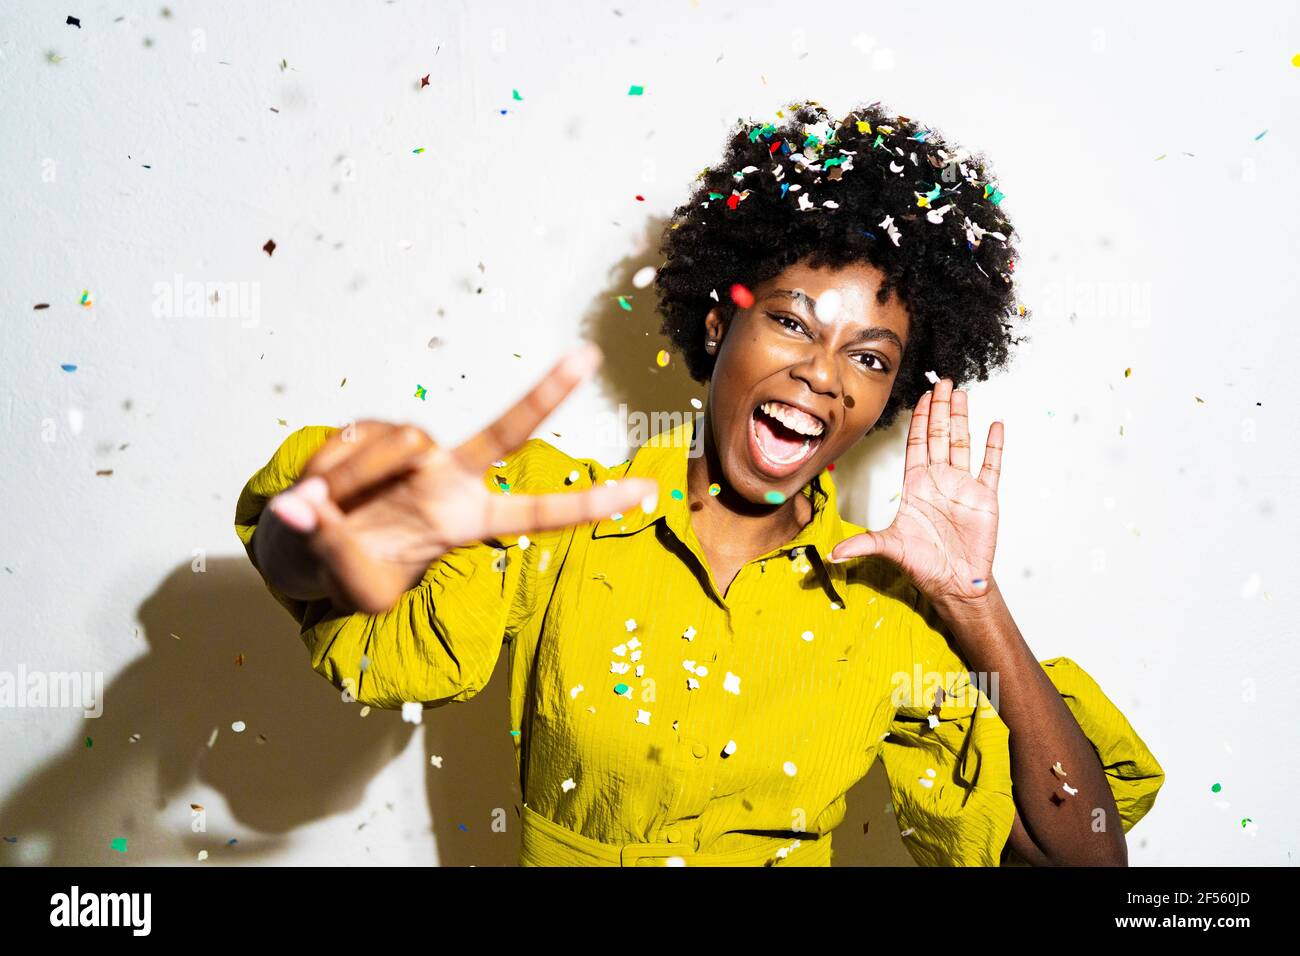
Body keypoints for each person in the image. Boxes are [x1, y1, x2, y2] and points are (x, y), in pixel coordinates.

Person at [234, 101, 1164, 866]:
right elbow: (298, 567)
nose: (825, 375)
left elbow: (1085, 860)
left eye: (870, 358)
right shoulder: (553, 516)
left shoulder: (889, 619)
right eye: (795, 324)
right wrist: (318, 532)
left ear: (891, 396)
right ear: (721, 323)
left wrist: (975, 602)